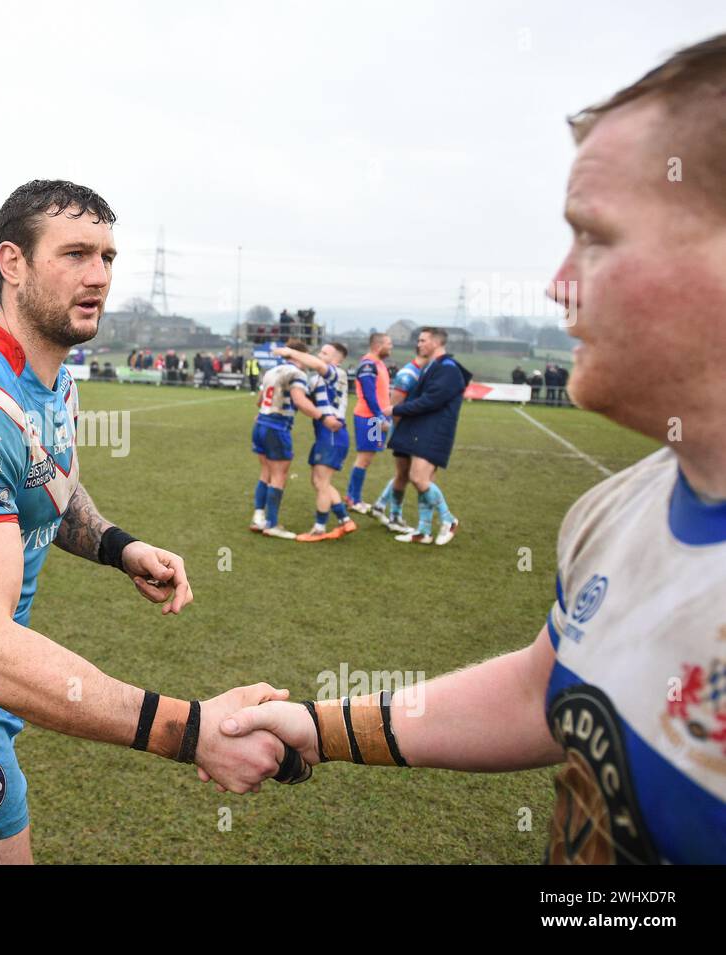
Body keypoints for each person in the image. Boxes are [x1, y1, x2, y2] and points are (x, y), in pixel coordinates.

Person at [221, 33, 726, 863]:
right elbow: (541, 691)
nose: (559, 282)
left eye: (595, 237)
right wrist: (317, 725)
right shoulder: (616, 510)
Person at [0, 179, 289, 866]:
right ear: (13, 262)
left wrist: (120, 545)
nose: (99, 276)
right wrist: (192, 728)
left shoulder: (52, 378)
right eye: (77, 253)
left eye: (109, 257)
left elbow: (48, 489)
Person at [389, 327, 471, 545]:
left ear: (436, 342)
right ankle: (423, 531)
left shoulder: (448, 368)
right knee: (421, 480)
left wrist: (396, 410)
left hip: (434, 431)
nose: (419, 344)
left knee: (418, 478)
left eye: (423, 340)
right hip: (423, 428)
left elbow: (431, 400)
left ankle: (448, 519)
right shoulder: (434, 366)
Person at [275, 342, 356, 541]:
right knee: (320, 481)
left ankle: (319, 529)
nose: (320, 355)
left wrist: (291, 352)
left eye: (325, 353)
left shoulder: (338, 374)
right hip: (325, 434)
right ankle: (345, 520)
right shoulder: (317, 379)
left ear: (337, 359)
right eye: (320, 351)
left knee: (321, 481)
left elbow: (318, 366)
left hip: (332, 434)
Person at [249, 340, 318, 539]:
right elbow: (299, 400)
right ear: (300, 355)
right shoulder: (297, 374)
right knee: (279, 474)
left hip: (261, 424)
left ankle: (258, 517)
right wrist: (322, 416)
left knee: (265, 472)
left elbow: (259, 401)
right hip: (277, 427)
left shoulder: (272, 371)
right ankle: (272, 523)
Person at [367, 349, 429, 531]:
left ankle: (381, 506)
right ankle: (394, 515)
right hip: (404, 431)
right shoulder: (408, 374)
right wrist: (396, 431)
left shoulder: (422, 372)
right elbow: (394, 407)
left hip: (410, 429)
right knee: (407, 473)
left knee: (406, 473)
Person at [345, 333, 393, 512]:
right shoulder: (368, 365)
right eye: (389, 344)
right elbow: (368, 394)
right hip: (369, 417)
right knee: (364, 458)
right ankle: (354, 499)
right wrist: (379, 417)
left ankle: (352, 498)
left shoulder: (379, 364)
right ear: (378, 345)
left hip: (376, 417)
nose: (391, 347)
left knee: (367, 458)